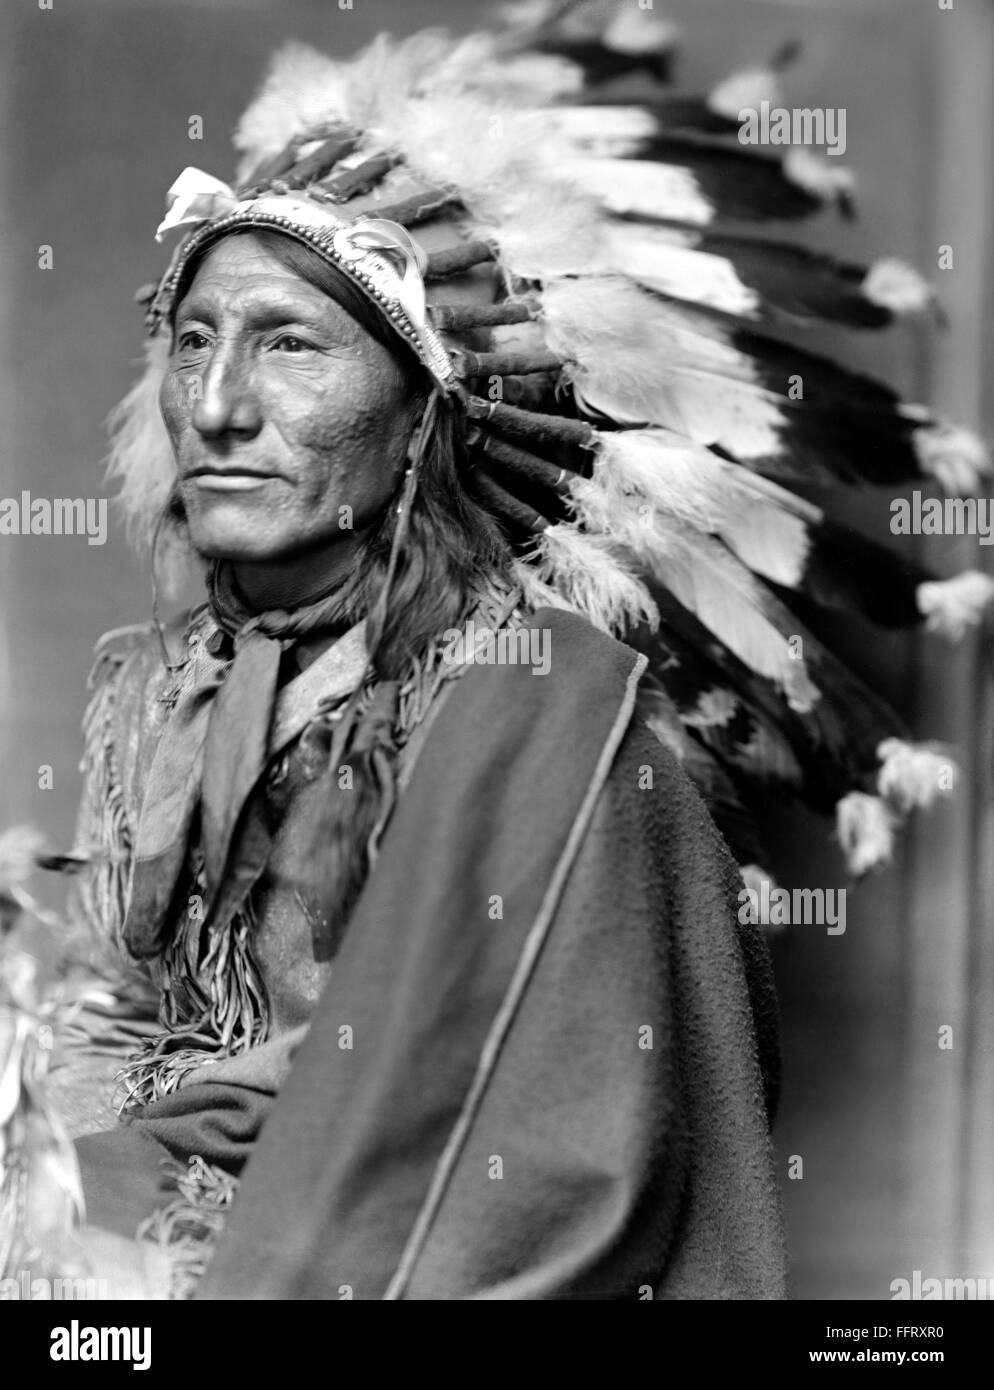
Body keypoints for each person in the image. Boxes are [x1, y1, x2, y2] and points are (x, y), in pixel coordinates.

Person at [29, 8, 990, 1300]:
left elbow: (560, 1176)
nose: (215, 404)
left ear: (426, 411)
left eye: (289, 344)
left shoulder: (555, 723)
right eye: (193, 340)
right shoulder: (158, 692)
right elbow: (109, 1031)